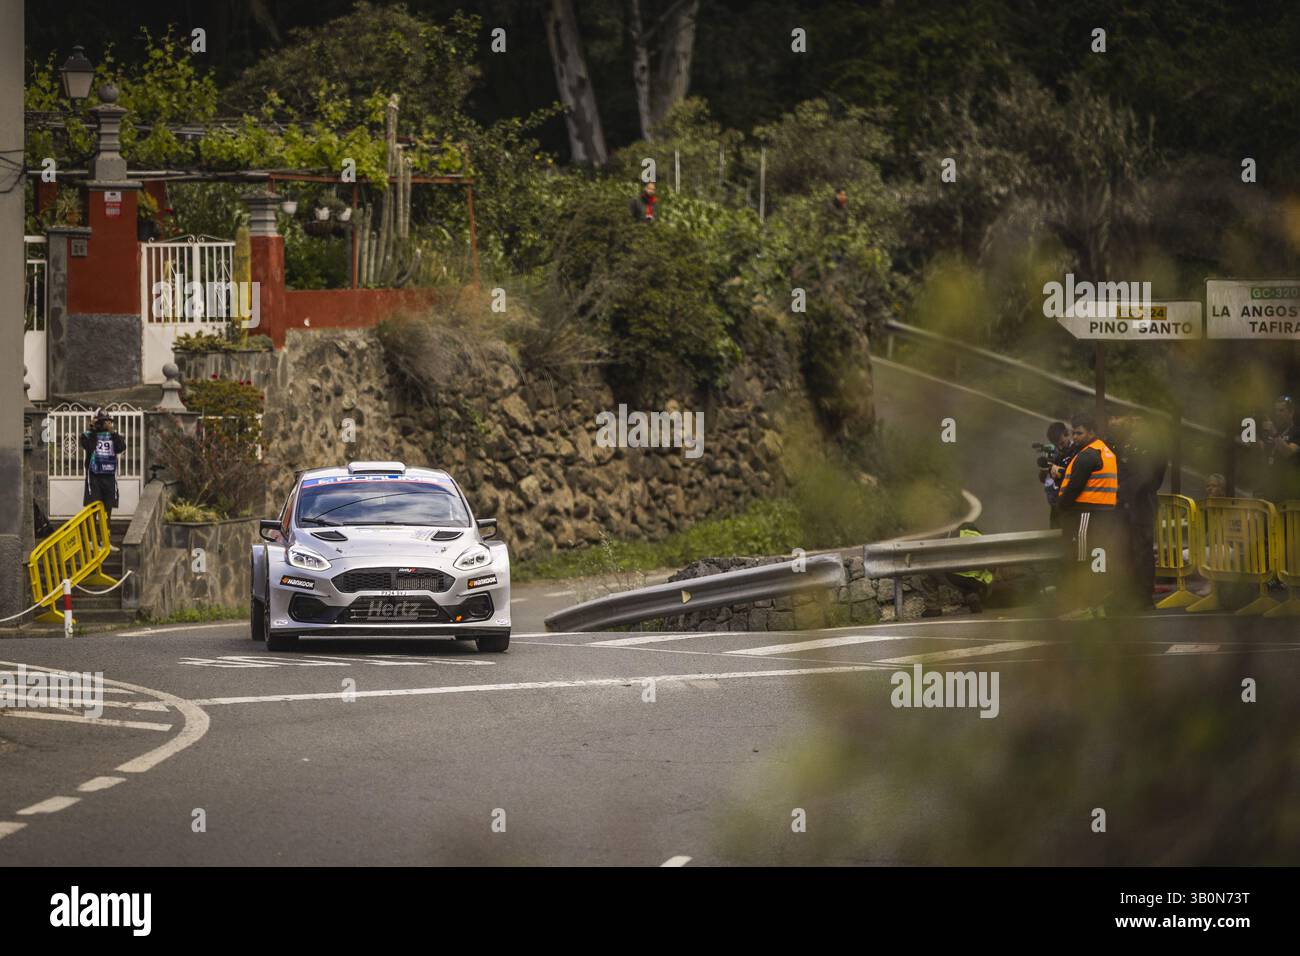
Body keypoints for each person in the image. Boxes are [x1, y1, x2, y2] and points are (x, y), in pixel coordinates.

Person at [1055, 413, 1119, 618]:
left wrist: (1061, 506)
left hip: (1085, 514)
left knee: (1080, 560)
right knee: (1096, 560)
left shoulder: (1088, 455)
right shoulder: (1106, 451)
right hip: (1104, 515)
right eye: (1073, 433)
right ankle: (1098, 605)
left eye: (1079, 433)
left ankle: (1082, 607)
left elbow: (1074, 487)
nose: (1075, 437)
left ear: (1091, 432)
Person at [1111, 415, 1169, 612]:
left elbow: (1145, 477)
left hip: (1141, 505)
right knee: (1131, 551)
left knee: (1141, 551)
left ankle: (1143, 596)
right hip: (1132, 505)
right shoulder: (1131, 447)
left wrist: (1121, 489)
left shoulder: (1145, 450)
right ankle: (1134, 593)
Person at [81, 410, 126, 545]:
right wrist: (94, 429)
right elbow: (90, 446)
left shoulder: (113, 436)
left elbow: (121, 448)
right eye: (103, 421)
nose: (107, 424)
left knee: (107, 510)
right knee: (93, 509)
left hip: (109, 477)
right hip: (94, 477)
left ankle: (105, 542)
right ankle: (90, 541)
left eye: (108, 421)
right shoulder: (87, 435)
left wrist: (112, 432)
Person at [944, 522, 994, 613]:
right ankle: (973, 595)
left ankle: (932, 607)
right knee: (971, 585)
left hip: (955, 577)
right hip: (978, 580)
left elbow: (944, 556)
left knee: (931, 572)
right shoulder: (983, 538)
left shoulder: (954, 535)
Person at [1259, 395, 1300, 500]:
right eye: (1276, 411)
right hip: (1270, 488)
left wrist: (1274, 433)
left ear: (1291, 412)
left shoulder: (1296, 431)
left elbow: (1288, 452)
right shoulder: (1273, 432)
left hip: (1288, 491)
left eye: (1281, 410)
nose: (1278, 414)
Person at [1039, 420, 1073, 529]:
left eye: (1062, 443)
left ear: (1067, 434)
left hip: (1072, 505)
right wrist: (1046, 468)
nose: (1061, 447)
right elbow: (1044, 479)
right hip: (1056, 505)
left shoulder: (1077, 450)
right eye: (1057, 445)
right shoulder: (1053, 453)